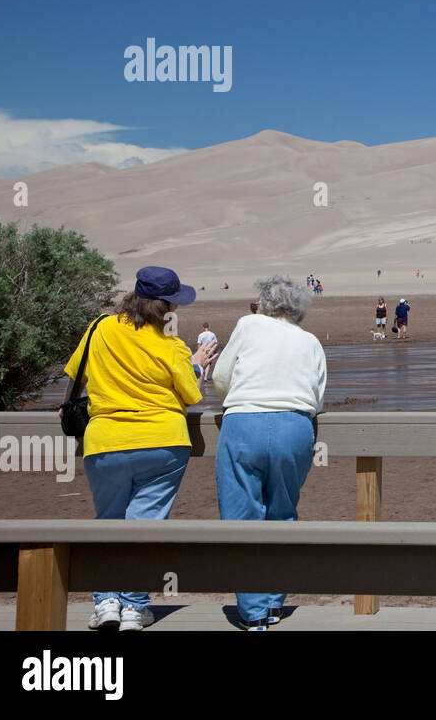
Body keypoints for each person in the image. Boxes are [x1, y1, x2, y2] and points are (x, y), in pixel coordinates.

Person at [66, 266, 215, 631]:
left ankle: (106, 603)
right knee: (145, 525)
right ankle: (134, 606)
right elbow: (191, 395)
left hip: (105, 441)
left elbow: (75, 374)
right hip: (162, 443)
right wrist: (196, 363)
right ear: (167, 307)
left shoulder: (100, 328)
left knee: (108, 522)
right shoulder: (172, 345)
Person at [212, 275, 327, 630]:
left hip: (244, 422)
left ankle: (253, 611)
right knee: (282, 512)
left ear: (265, 304)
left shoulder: (248, 325)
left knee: (241, 517)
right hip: (295, 426)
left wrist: (240, 397)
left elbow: (221, 376)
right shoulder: (310, 342)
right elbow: (318, 397)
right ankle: (274, 602)